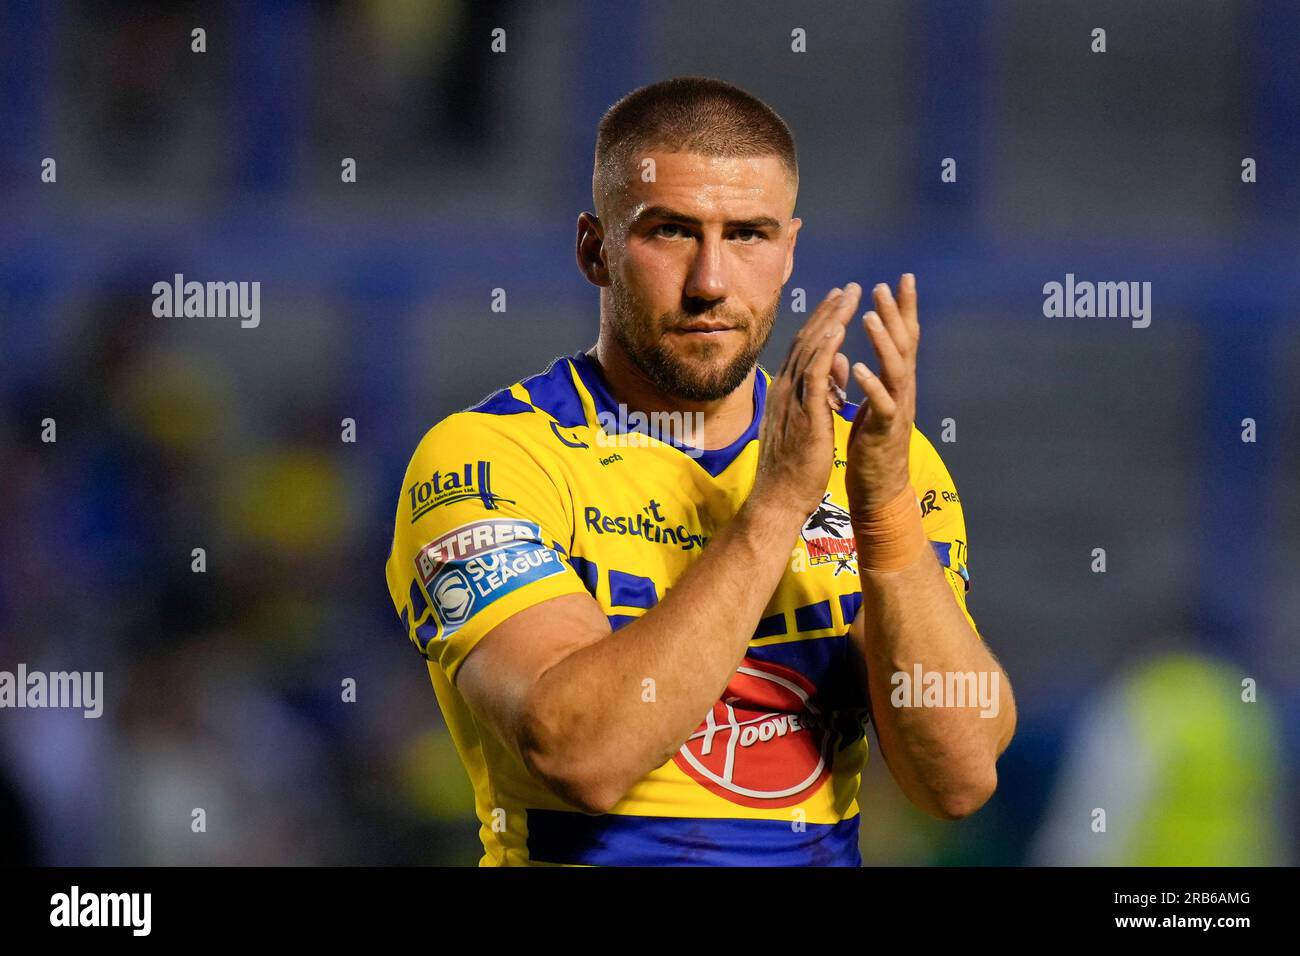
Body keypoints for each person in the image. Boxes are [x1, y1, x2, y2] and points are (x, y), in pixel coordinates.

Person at [385, 76, 1016, 865]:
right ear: (595, 250)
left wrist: (886, 516)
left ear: (788, 252)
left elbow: (957, 778)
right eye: (673, 232)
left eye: (748, 234)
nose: (711, 281)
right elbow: (581, 754)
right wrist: (777, 505)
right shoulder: (491, 458)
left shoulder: (883, 467)